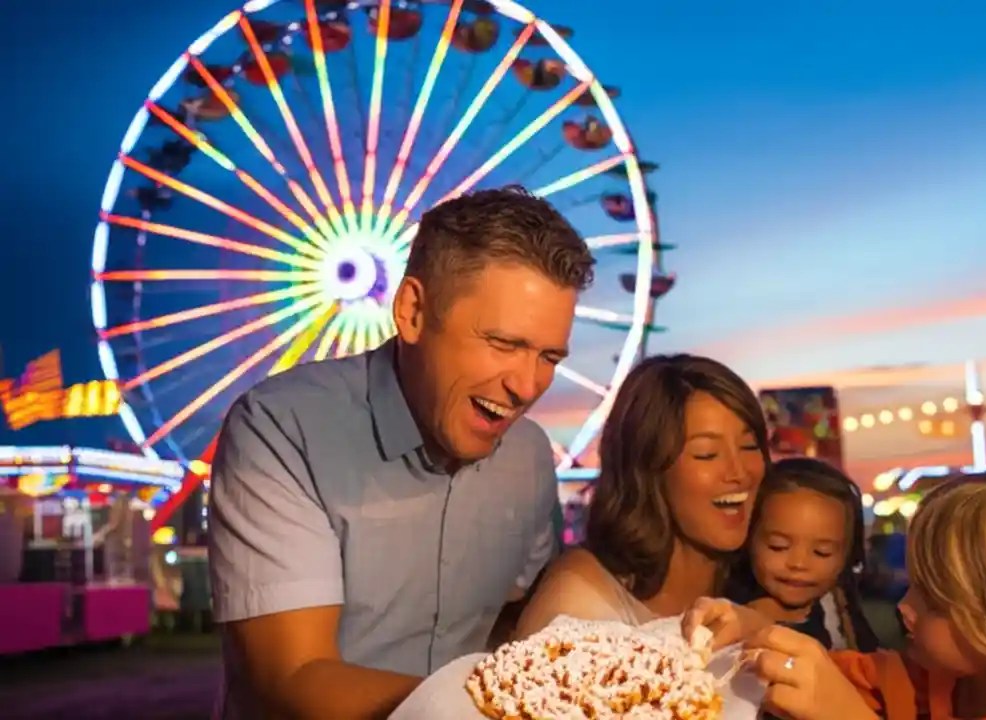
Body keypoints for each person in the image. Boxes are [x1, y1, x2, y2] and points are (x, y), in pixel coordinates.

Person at [207, 187, 595, 719]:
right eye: (504, 344)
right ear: (412, 311)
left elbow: (520, 622)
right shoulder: (281, 429)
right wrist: (505, 709)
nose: (527, 386)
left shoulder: (527, 456)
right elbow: (294, 677)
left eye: (549, 356)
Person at [685, 467, 986, 720]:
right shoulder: (932, 680)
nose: (905, 606)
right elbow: (827, 672)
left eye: (935, 598)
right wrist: (756, 630)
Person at [513, 353, 770, 636]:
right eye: (707, 454)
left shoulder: (778, 584)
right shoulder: (579, 610)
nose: (739, 472)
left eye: (749, 446)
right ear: (646, 468)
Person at [723, 457, 879, 652]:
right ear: (748, 539)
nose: (799, 564)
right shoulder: (731, 621)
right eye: (778, 546)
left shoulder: (840, 609)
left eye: (822, 553)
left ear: (848, 555)